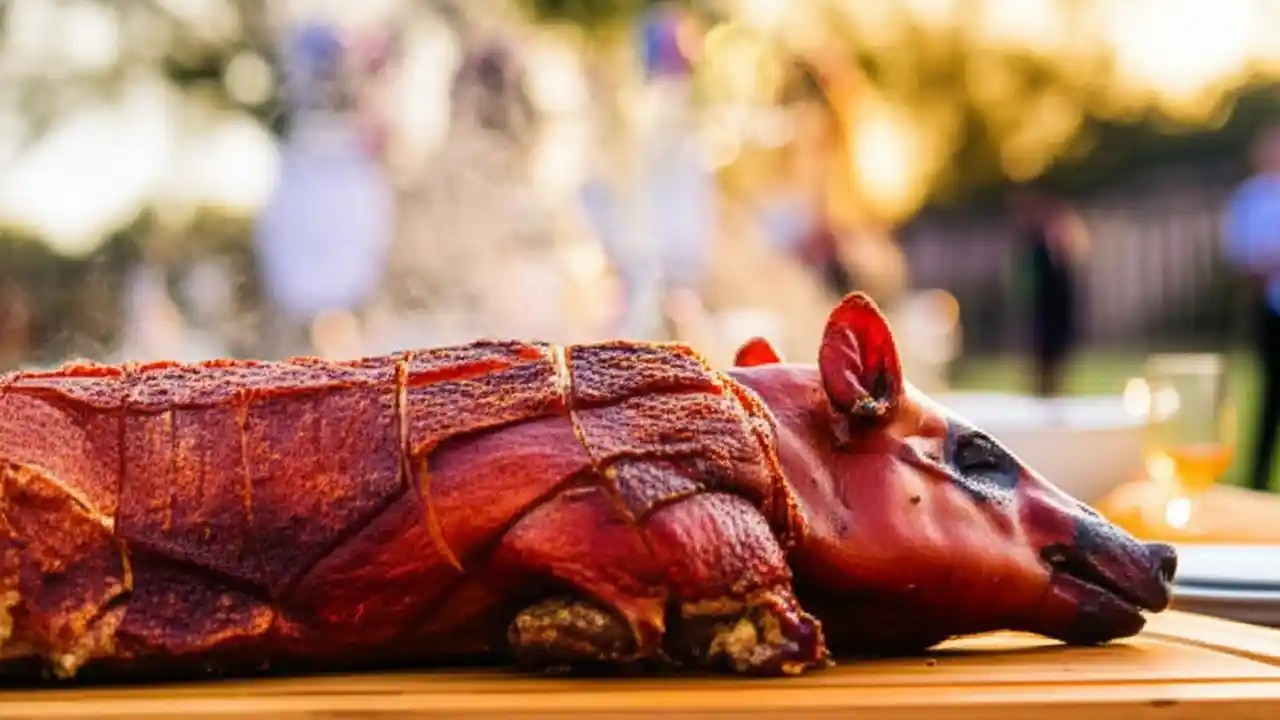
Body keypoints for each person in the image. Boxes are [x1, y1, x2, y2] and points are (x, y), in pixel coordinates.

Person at [1221, 124, 1280, 492]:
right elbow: (1244, 258)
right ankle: (1257, 480)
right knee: (1270, 396)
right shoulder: (1249, 199)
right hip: (1270, 311)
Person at [1012, 184, 1089, 398]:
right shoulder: (1037, 247)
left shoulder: (1061, 255)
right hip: (1044, 315)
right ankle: (1043, 392)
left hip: (1057, 316)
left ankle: (1052, 392)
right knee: (1044, 359)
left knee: (1057, 358)